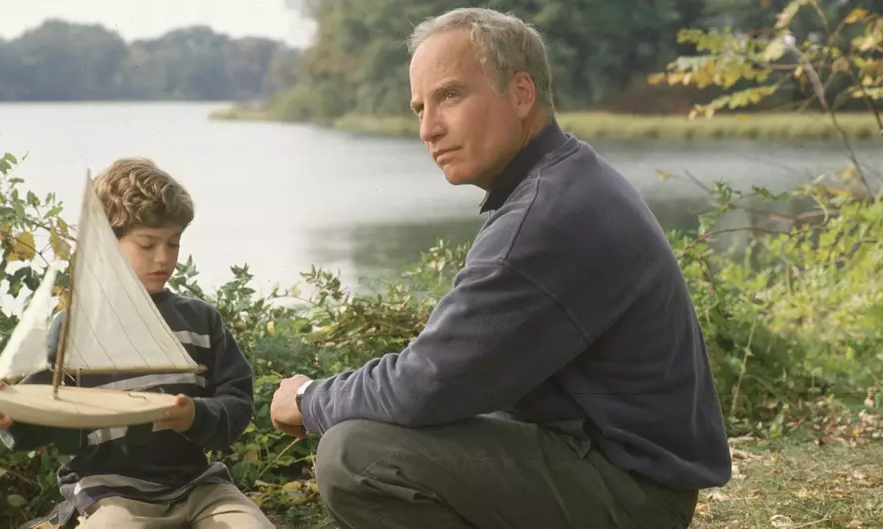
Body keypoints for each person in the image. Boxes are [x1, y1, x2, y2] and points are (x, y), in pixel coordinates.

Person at [269, 7, 732, 529]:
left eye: (449, 96)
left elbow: (425, 384)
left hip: (634, 493)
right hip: (614, 467)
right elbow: (452, 372)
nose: (427, 129)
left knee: (356, 455)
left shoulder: (548, 215)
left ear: (520, 94)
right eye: (419, 107)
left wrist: (310, 399)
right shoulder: (563, 179)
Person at [0, 158, 275, 529]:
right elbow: (51, 413)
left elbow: (237, 402)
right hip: (109, 492)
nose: (164, 257)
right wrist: (13, 416)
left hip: (198, 486)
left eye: (174, 243)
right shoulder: (74, 327)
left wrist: (196, 415)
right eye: (147, 245)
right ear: (108, 246)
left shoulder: (200, 321)